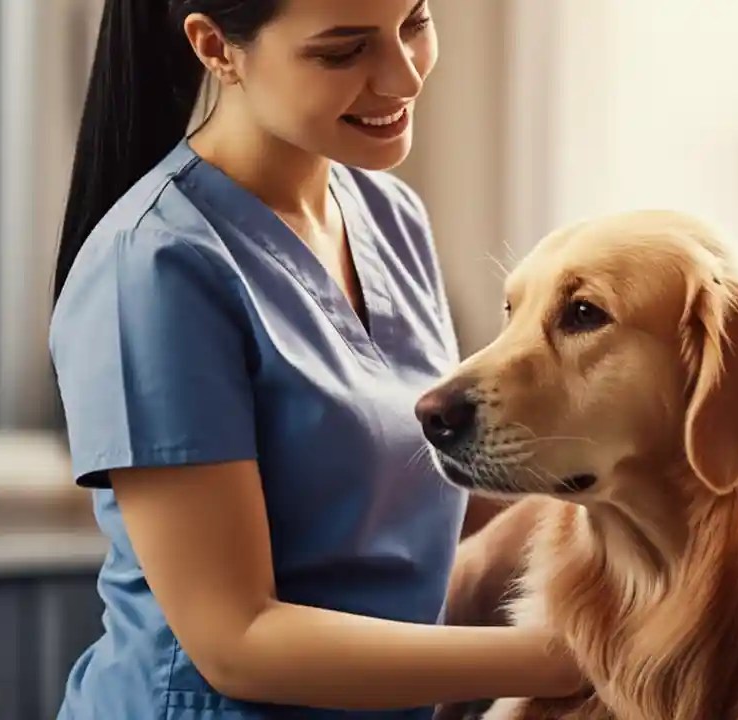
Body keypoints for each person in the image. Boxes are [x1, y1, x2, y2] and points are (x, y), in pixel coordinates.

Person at [48, 1, 584, 718]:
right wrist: (573, 655)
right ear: (217, 48)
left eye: (415, 23)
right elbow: (237, 640)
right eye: (344, 51)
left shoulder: (391, 217)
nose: (403, 77)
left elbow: (413, 494)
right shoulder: (154, 267)